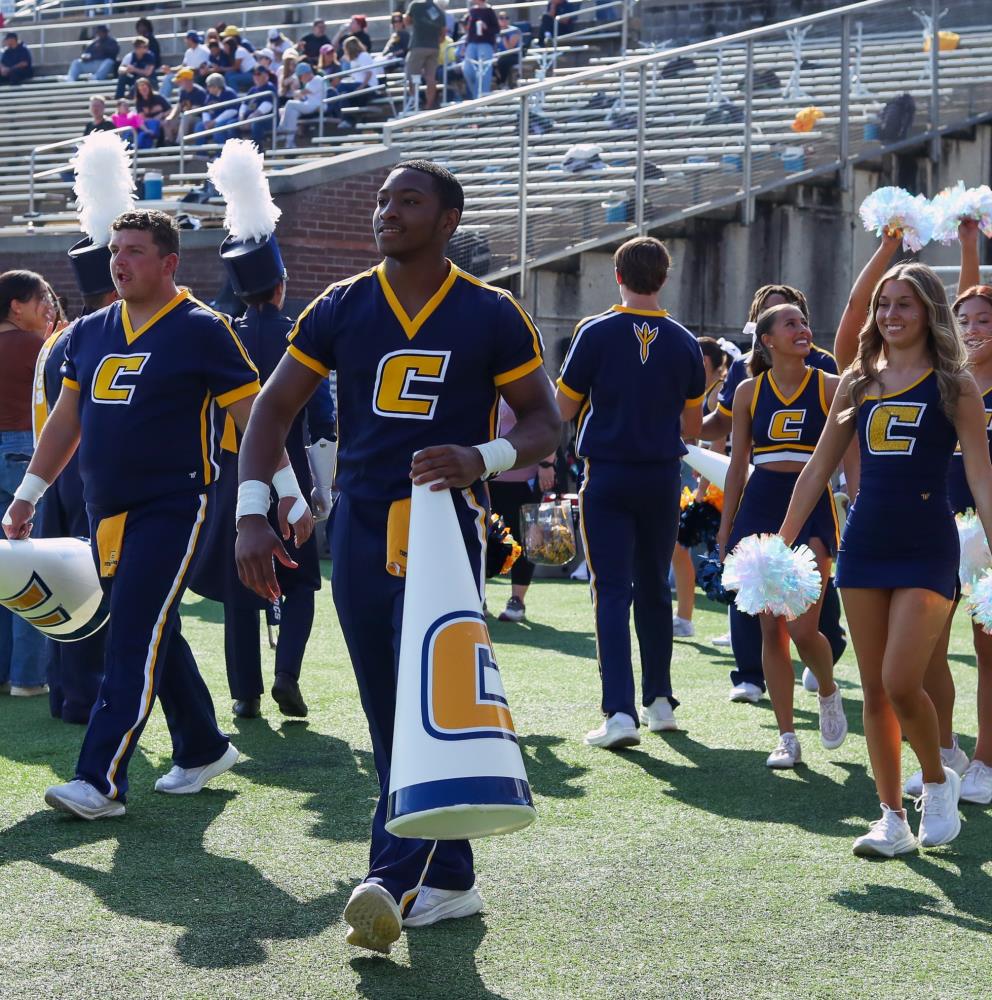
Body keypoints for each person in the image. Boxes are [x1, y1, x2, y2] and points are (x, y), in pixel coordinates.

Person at [234, 159, 559, 953]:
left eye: (408, 201)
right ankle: (449, 879)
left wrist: (479, 456)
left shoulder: (491, 311)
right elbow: (269, 412)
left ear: (448, 220)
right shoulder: (341, 304)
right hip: (363, 528)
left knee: (430, 701)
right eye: (382, 200)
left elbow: (544, 423)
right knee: (387, 711)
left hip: (446, 531)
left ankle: (390, 876)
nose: (387, 212)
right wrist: (254, 512)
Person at [3, 209, 312, 821]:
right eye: (116, 249)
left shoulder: (203, 328)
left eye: (136, 250)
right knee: (152, 628)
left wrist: (289, 490)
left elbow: (255, 418)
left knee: (132, 633)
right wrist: (28, 493)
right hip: (105, 513)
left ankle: (100, 779)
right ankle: (202, 745)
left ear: (169, 262)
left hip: (175, 506)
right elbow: (67, 421)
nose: (120, 260)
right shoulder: (88, 332)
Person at [780, 262, 992, 856]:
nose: (891, 315)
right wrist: (780, 540)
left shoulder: (956, 384)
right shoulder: (855, 380)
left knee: (903, 681)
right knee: (873, 689)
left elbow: (980, 475)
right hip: (865, 542)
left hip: (927, 543)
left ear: (928, 312)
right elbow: (819, 467)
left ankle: (935, 781)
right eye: (883, 304)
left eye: (904, 304)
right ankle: (892, 816)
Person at [556, 237, 705, 748]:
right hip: (662, 477)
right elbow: (693, 426)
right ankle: (660, 702)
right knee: (653, 587)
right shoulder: (686, 341)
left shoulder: (594, 331)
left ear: (616, 275)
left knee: (611, 591)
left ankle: (619, 712)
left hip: (609, 475)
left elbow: (562, 408)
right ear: (665, 277)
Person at [191, 211, 336, 720]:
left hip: (232, 472)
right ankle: (287, 675)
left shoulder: (218, 332)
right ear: (280, 283)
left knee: (239, 587)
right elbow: (322, 416)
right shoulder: (300, 334)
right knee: (302, 583)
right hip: (290, 460)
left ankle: (244, 693)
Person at [700, 284, 845, 701]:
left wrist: (855, 493)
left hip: (811, 497)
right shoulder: (748, 387)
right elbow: (735, 460)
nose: (802, 328)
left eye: (803, 320)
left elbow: (849, 449)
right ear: (765, 337)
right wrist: (726, 528)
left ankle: (827, 678)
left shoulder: (829, 380)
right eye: (789, 322)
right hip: (760, 499)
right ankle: (770, 709)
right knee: (766, 621)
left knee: (805, 620)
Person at [908, 223, 992, 804]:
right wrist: (966, 250)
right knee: (929, 640)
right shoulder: (950, 383)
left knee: (988, 647)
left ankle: (986, 759)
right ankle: (945, 749)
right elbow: (961, 304)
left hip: (988, 524)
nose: (972, 328)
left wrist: (970, 251)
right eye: (963, 321)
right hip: (941, 517)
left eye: (985, 320)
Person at [33, 236, 119, 724]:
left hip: (56, 479)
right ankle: (86, 698)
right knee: (91, 594)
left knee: (59, 593)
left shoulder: (57, 339)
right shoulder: (104, 335)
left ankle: (64, 693)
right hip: (91, 479)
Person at [0, 271, 53, 697]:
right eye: (42, 299)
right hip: (24, 451)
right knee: (31, 566)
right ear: (16, 306)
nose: (48, 307)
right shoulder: (39, 348)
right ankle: (28, 678)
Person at [671, 335, 728, 638]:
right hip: (707, 480)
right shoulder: (705, 391)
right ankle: (684, 616)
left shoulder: (718, 392)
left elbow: (717, 445)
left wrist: (703, 488)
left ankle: (692, 617)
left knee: (727, 551)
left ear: (703, 361)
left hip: (717, 484)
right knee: (678, 547)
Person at [488, 397, 557, 622]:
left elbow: (551, 423)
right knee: (483, 538)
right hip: (487, 475)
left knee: (525, 539)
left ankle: (517, 600)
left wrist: (547, 464)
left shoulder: (534, 379)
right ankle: (478, 598)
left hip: (525, 477)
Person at [405, 0, 445, 110]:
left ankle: (415, 102)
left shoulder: (415, 5)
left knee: (412, 75)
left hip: (418, 46)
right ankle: (429, 105)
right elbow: (443, 35)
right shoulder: (439, 11)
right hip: (434, 47)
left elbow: (406, 21)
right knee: (430, 78)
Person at [277, 64, 324, 147]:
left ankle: (282, 126)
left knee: (290, 103)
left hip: (316, 105)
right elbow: (301, 96)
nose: (300, 79)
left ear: (306, 74)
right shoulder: (309, 83)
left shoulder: (317, 79)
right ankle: (289, 142)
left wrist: (295, 91)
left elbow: (303, 92)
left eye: (300, 76)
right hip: (309, 105)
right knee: (293, 113)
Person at [462, 0, 499, 99]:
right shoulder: (472, 11)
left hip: (485, 43)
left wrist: (486, 27)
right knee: (467, 70)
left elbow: (496, 29)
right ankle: (476, 96)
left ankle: (482, 98)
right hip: (472, 43)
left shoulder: (489, 11)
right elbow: (469, 31)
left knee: (484, 73)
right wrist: (466, 45)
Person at [159, 31, 211, 99]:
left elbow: (202, 69)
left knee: (184, 81)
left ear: (190, 39)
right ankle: (162, 100)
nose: (185, 41)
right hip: (185, 74)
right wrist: (170, 69)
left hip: (196, 76)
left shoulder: (204, 50)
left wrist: (189, 70)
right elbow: (183, 66)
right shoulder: (188, 51)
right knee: (169, 77)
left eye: (186, 39)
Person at [162, 69, 206, 145]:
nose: (178, 83)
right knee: (168, 122)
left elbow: (194, 111)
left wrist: (183, 116)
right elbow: (178, 106)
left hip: (198, 120)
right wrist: (170, 117)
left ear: (187, 80)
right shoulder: (182, 91)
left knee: (186, 116)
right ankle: (170, 143)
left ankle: (179, 143)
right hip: (185, 119)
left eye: (180, 81)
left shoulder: (199, 92)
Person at [195, 73, 239, 147]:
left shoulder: (229, 93)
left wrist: (214, 121)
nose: (207, 88)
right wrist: (206, 122)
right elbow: (205, 110)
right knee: (199, 126)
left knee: (218, 127)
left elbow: (232, 111)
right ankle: (201, 154)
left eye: (209, 86)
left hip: (229, 119)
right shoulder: (210, 95)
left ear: (216, 86)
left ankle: (220, 154)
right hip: (213, 120)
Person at [239, 65, 278, 146]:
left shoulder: (269, 87)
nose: (256, 76)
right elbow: (244, 104)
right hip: (249, 119)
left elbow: (267, 106)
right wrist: (242, 118)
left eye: (258, 74)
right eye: (254, 74)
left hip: (269, 119)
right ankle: (236, 152)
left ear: (266, 76)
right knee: (232, 124)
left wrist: (250, 119)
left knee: (256, 124)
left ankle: (257, 151)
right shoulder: (252, 89)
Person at [133, 78, 170, 149]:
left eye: (145, 87)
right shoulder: (139, 102)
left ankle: (163, 143)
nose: (143, 90)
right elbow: (142, 118)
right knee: (151, 123)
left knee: (163, 123)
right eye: (141, 89)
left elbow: (170, 110)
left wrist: (162, 115)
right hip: (150, 124)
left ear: (149, 87)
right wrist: (155, 119)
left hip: (163, 121)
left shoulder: (158, 97)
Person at [493, 11, 522, 88]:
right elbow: (494, 47)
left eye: (506, 18)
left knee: (503, 61)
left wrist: (504, 36)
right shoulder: (495, 32)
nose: (504, 20)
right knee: (489, 62)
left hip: (514, 54)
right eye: (501, 18)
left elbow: (509, 48)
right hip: (500, 55)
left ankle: (502, 83)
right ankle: (500, 83)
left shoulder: (515, 31)